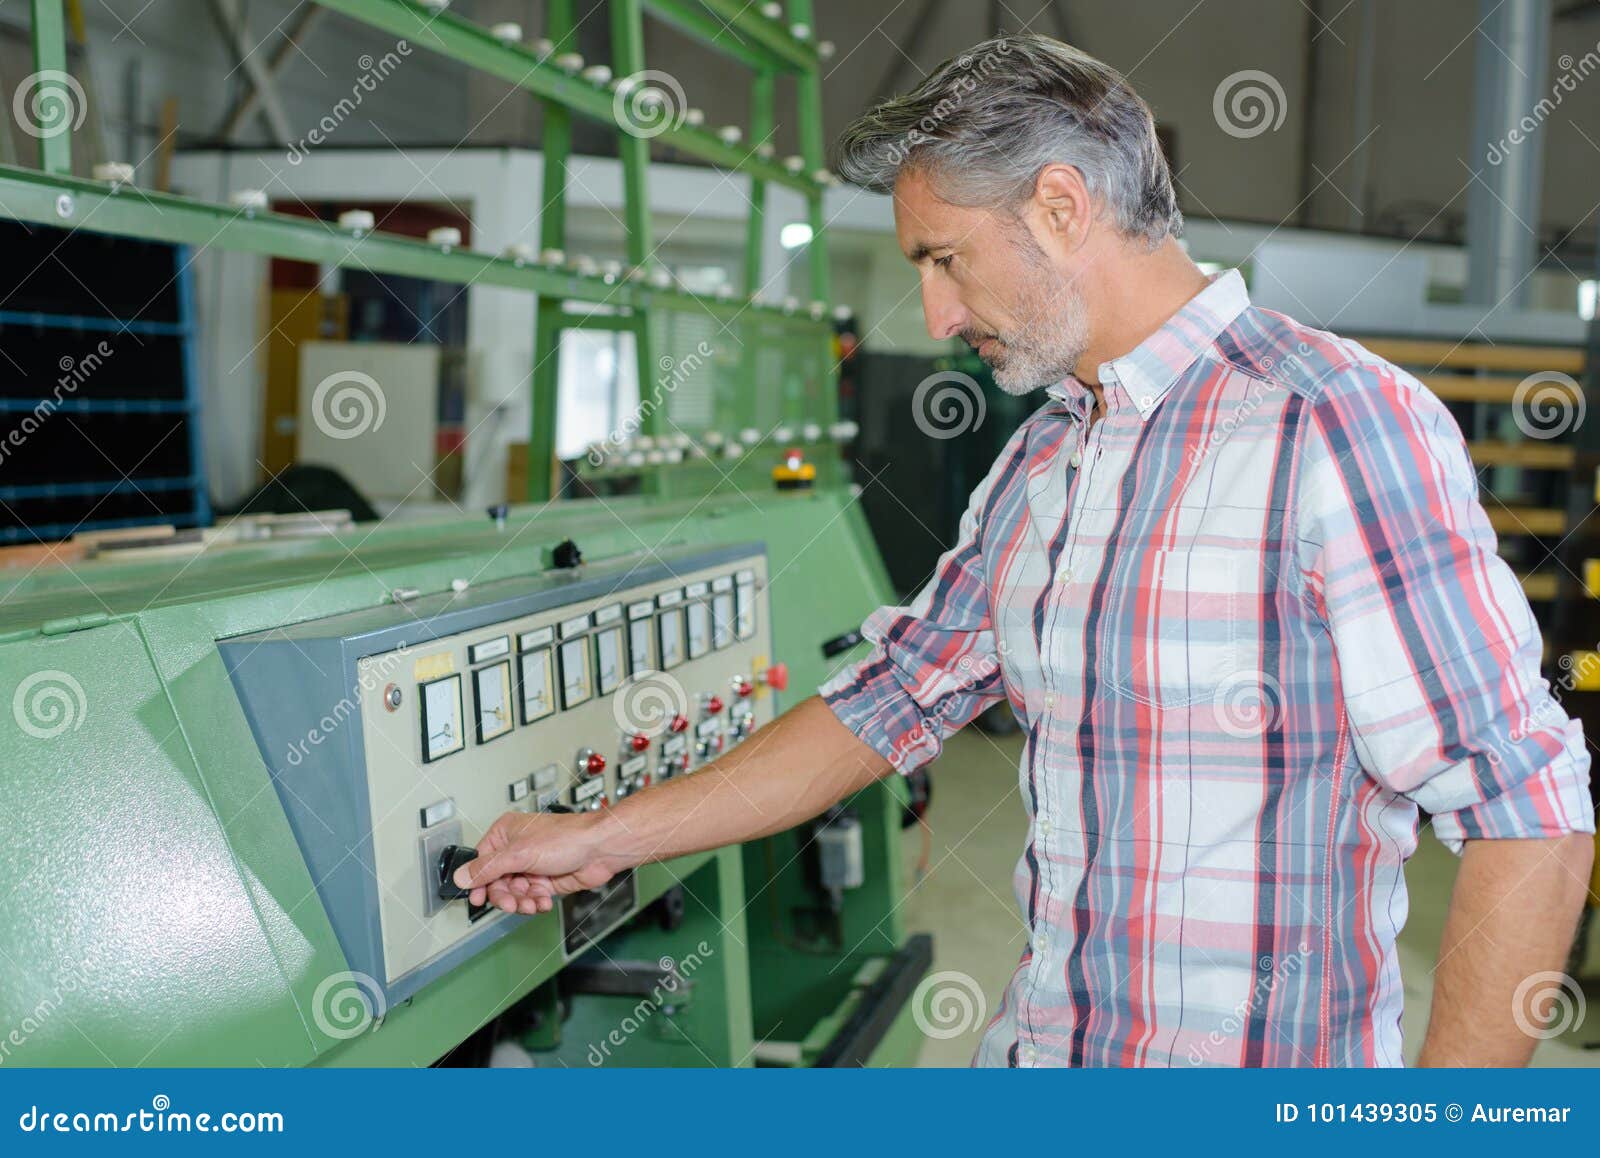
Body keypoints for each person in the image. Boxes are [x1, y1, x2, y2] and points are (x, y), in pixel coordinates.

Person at [456, 33, 1594, 1067]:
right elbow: (892, 700)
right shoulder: (1047, 455)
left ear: (1060, 207)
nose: (935, 313)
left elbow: (1525, 800)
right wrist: (608, 838)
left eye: (943, 259)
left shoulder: (1331, 424)